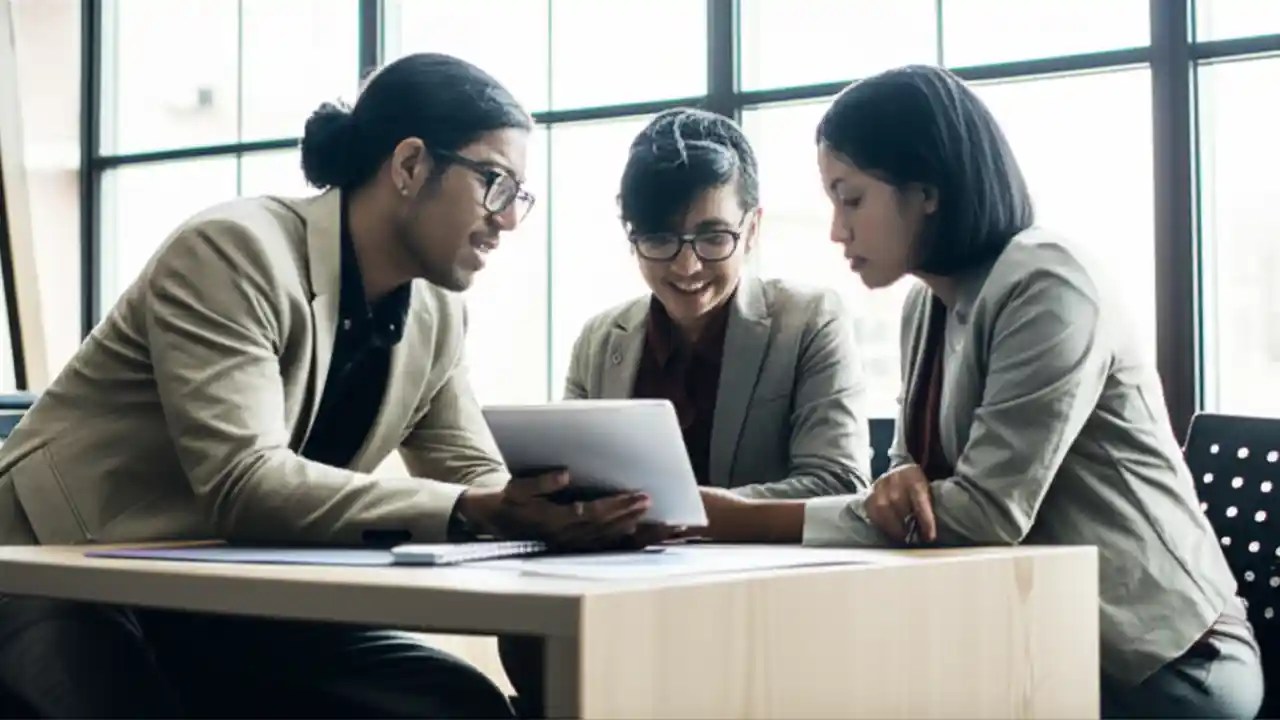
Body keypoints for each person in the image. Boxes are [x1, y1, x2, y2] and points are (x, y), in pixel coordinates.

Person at [0, 53, 655, 718]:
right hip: (51, 565)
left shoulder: (437, 313)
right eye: (494, 182)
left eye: (518, 196)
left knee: (458, 705)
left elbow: (471, 472)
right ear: (409, 166)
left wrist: (559, 512)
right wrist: (475, 508)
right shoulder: (233, 252)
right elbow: (245, 482)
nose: (508, 219)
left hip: (201, 591)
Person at [697, 65, 1263, 719]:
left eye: (851, 199)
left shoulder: (1047, 282)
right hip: (1032, 644)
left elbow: (984, 515)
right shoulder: (925, 308)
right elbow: (905, 493)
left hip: (1161, 663)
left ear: (927, 191)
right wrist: (897, 485)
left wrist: (738, 517)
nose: (836, 230)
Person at [499, 107, 873, 717]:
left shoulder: (808, 321)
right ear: (632, 236)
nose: (686, 265)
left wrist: (685, 516)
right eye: (659, 239)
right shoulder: (602, 338)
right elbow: (569, 490)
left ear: (752, 228)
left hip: (759, 616)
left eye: (712, 237)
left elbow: (839, 484)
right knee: (526, 647)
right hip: (620, 608)